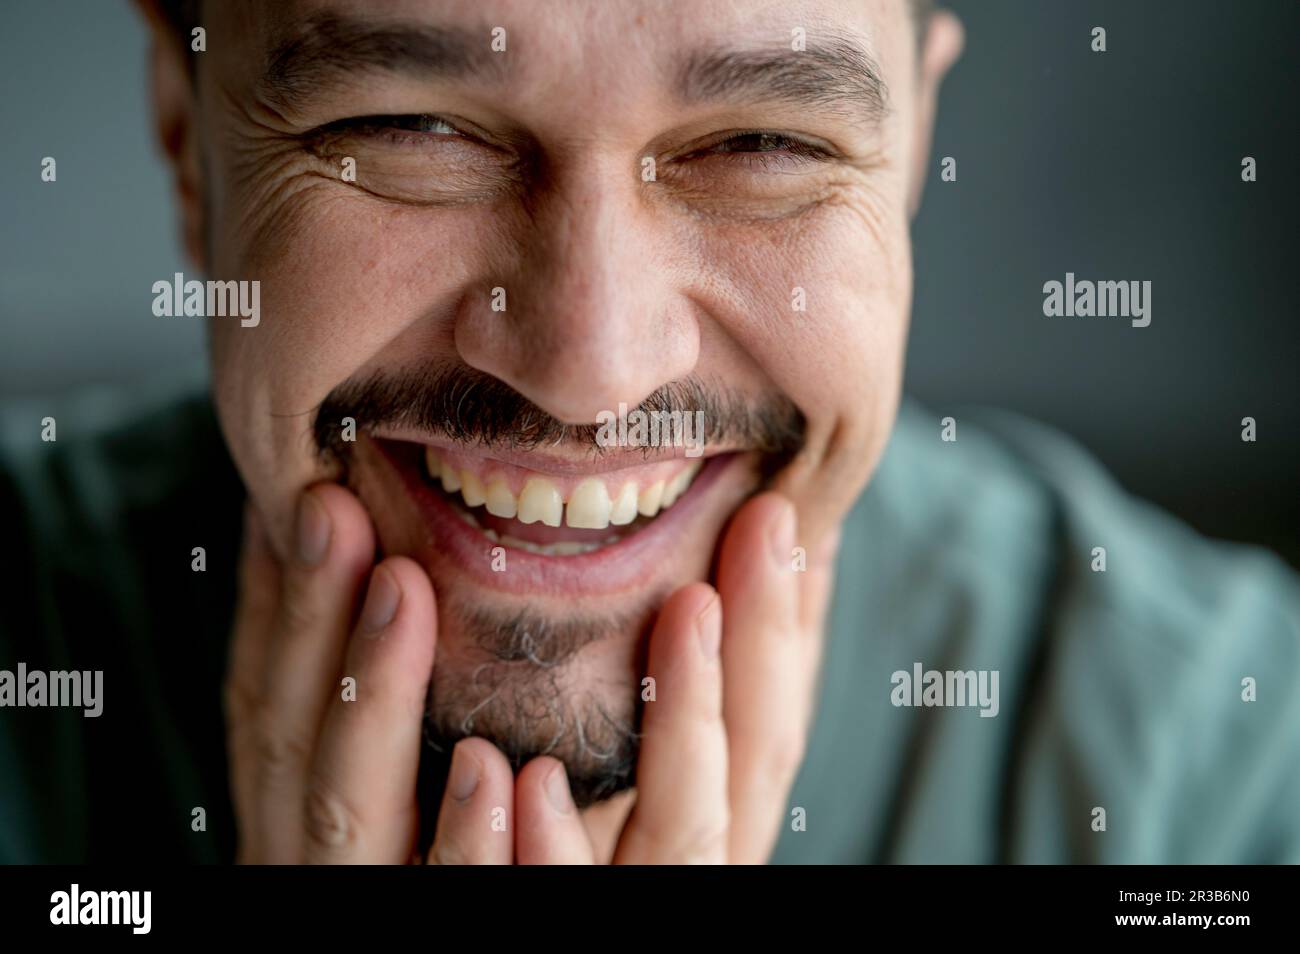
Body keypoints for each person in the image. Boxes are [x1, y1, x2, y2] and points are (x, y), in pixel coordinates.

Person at [1, 0, 1296, 864]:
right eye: (410, 130)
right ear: (188, 141)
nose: (588, 367)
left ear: (908, 155)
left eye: (762, 141)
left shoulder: (1223, 774)